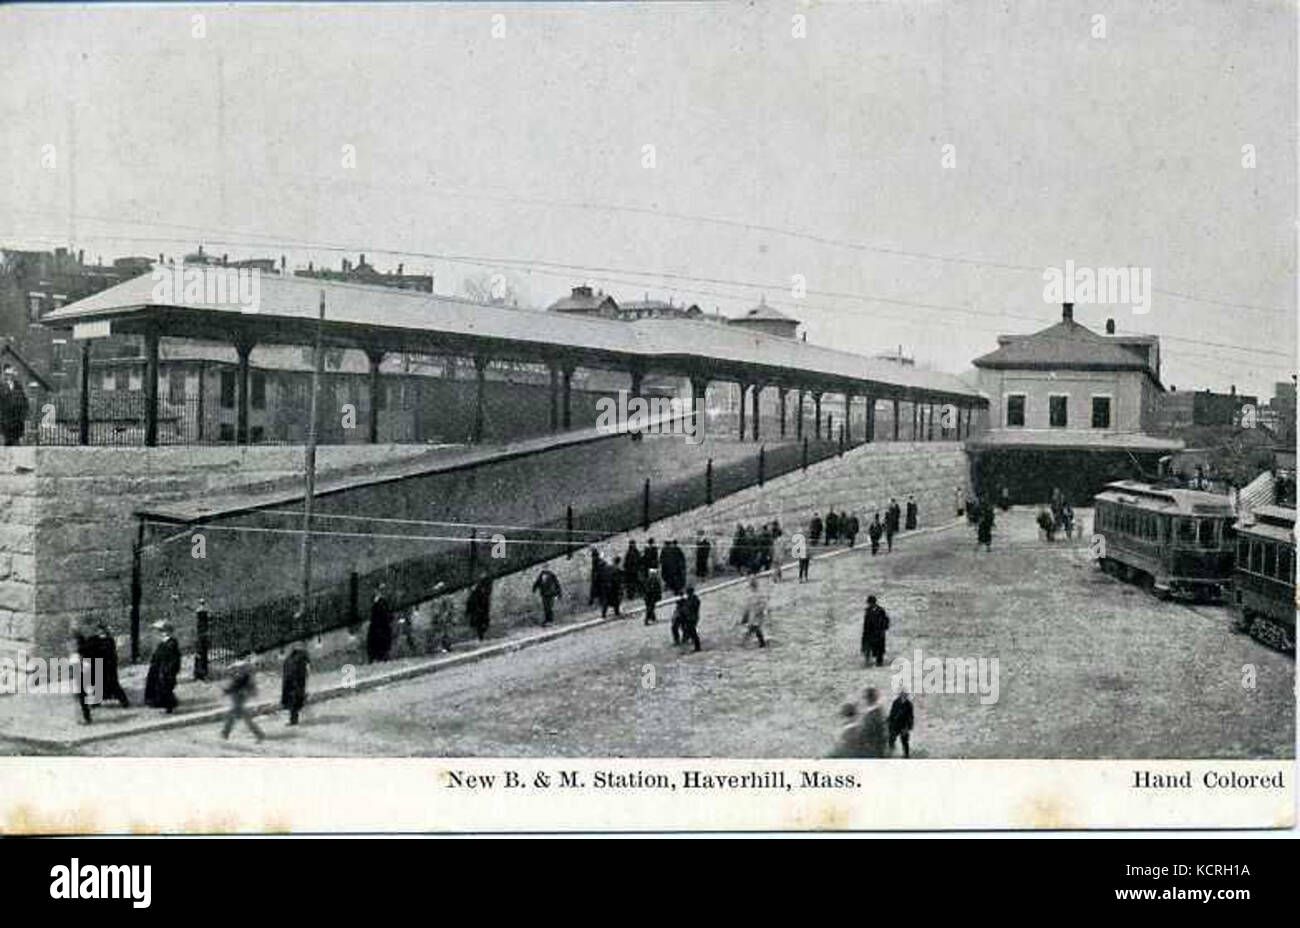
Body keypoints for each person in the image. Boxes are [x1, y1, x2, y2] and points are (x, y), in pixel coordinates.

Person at [221, 654, 265, 742]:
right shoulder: (245, 670)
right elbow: (245, 683)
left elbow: (237, 683)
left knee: (238, 714)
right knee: (239, 714)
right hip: (241, 695)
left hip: (239, 695)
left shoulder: (241, 670)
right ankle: (225, 732)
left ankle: (259, 734)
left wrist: (227, 690)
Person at [144, 620, 180, 714]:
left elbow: (174, 658)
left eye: (163, 631)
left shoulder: (172, 643)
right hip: (159, 668)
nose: (162, 633)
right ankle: (160, 704)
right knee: (160, 688)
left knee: (166, 689)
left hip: (166, 670)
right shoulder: (163, 642)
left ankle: (169, 707)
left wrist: (169, 669)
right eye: (161, 631)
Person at [91, 621, 129, 707]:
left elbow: (112, 654)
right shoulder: (95, 640)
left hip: (108, 666)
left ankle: (124, 701)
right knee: (98, 684)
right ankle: (97, 701)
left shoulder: (108, 641)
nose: (100, 632)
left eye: (101, 630)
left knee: (113, 684)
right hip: (99, 665)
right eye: (98, 630)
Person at [280, 644, 310, 726]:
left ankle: (294, 719)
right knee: (296, 700)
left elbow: (287, 671)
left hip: (290, 682)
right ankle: (294, 719)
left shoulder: (290, 659)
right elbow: (304, 671)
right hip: (296, 682)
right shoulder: (300, 659)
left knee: (293, 700)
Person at [0, 366, 29, 446]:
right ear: (4, 375)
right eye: (7, 374)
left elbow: (24, 402)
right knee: (5, 447)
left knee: (16, 446)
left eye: (10, 374)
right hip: (5, 423)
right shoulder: (1, 386)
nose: (9, 376)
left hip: (17, 423)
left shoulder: (18, 386)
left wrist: (23, 416)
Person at [858, 687, 889, 757]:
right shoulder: (880, 709)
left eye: (865, 698)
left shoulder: (873, 712)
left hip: (875, 745)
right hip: (879, 743)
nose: (864, 700)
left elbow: (867, 729)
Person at [367, 584, 394, 662]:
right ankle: (378, 656)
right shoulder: (376, 601)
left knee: (382, 642)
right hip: (378, 626)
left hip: (382, 626)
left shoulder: (383, 601)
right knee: (377, 642)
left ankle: (381, 656)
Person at [861, 594, 890, 667]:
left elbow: (886, 620)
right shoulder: (868, 611)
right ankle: (867, 663)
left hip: (878, 633)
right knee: (867, 648)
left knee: (879, 650)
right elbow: (866, 623)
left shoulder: (880, 610)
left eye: (871, 603)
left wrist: (883, 628)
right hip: (869, 633)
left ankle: (879, 664)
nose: (870, 604)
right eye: (869, 603)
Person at [739, 575, 768, 648]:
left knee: (753, 627)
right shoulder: (757, 594)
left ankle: (745, 641)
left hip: (756, 613)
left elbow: (749, 606)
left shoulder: (755, 595)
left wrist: (745, 616)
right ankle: (761, 642)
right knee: (755, 628)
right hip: (755, 613)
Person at [425, 584, 455, 653]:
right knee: (437, 633)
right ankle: (435, 647)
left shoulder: (446, 598)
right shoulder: (436, 599)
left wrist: (445, 616)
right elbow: (433, 609)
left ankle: (446, 647)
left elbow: (448, 608)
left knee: (445, 633)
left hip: (443, 618)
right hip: (437, 618)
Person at [888, 689, 914, 758]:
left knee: (904, 741)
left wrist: (909, 727)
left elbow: (911, 717)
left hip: (904, 725)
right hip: (895, 725)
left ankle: (906, 755)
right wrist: (890, 722)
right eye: (902, 695)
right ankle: (891, 751)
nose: (903, 696)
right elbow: (892, 713)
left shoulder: (909, 704)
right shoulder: (896, 702)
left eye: (905, 695)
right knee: (891, 739)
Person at [467, 575, 493, 641]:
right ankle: (481, 635)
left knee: (483, 621)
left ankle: (481, 635)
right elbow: (472, 602)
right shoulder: (477, 592)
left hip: (482, 609)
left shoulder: (483, 592)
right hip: (478, 610)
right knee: (480, 622)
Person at [681, 586, 702, 652]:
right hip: (689, 618)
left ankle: (697, 647)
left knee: (693, 632)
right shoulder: (689, 599)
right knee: (690, 631)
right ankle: (694, 644)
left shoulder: (695, 599)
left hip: (692, 618)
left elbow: (693, 608)